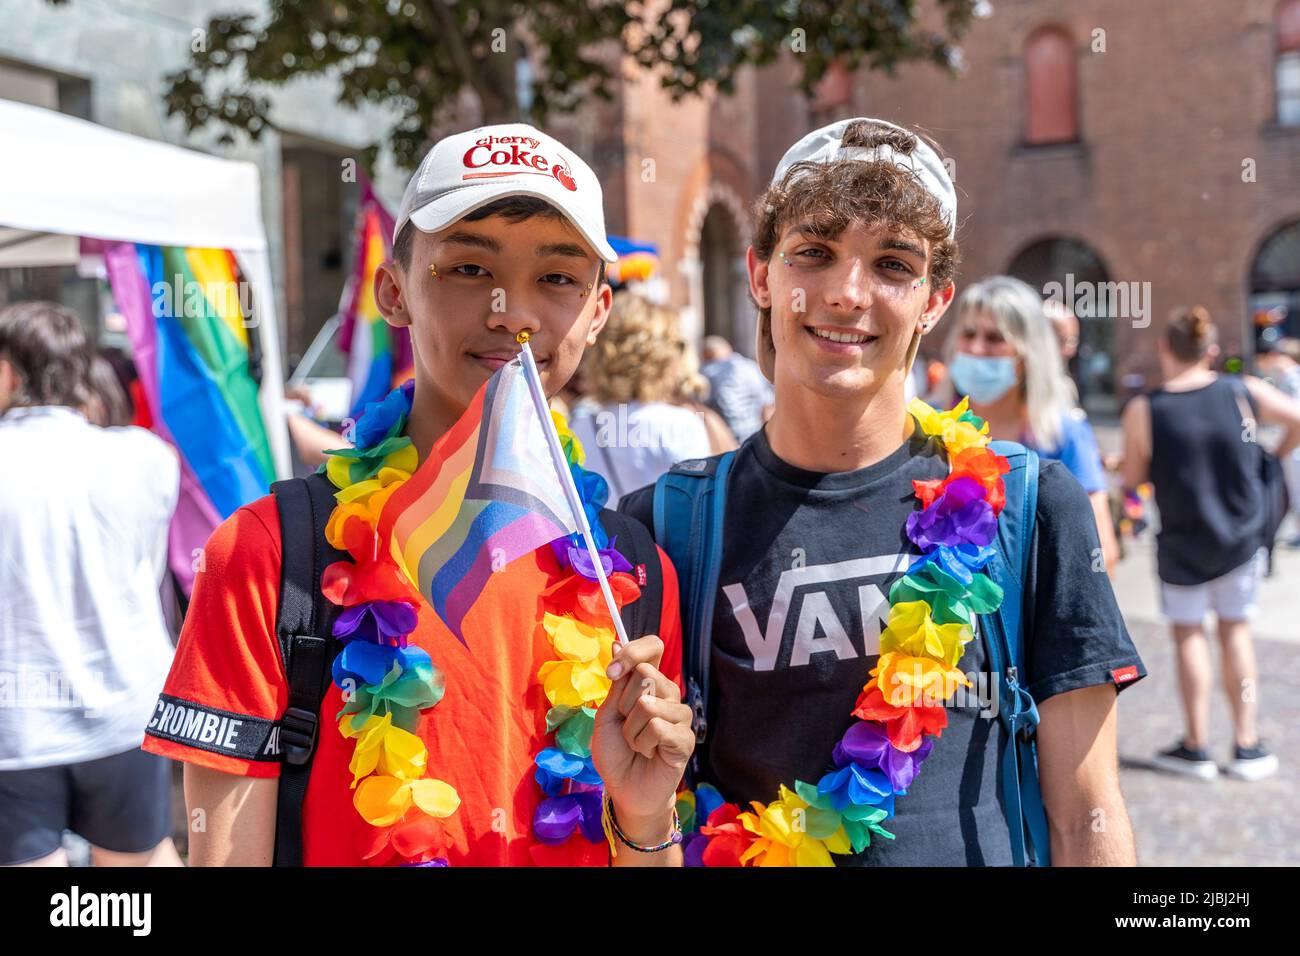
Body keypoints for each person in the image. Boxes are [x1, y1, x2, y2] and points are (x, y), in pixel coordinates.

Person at [140, 123, 693, 866]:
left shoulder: (633, 574)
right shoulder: (270, 554)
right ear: (394, 293)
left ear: (597, 312)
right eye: (468, 268)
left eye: (557, 279)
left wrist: (645, 812)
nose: (513, 313)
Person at [622, 117, 1147, 866]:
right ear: (761, 273)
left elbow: (1088, 814)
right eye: (814, 253)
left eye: (893, 264)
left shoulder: (1031, 505)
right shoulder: (668, 525)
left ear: (935, 300)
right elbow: (649, 821)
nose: (846, 293)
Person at [0, 301, 182, 867]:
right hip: (125, 702)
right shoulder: (146, 457)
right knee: (140, 871)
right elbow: (145, 572)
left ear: (9, 371)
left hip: (16, 718)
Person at [1121, 308, 1300, 782]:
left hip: (1182, 540)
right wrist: (1271, 456)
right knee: (1236, 633)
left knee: (1189, 638)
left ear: (1165, 349)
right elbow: (1297, 419)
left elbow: (1135, 480)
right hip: (1240, 537)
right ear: (1212, 352)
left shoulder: (1147, 408)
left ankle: (1196, 745)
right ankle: (1247, 744)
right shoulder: (1240, 390)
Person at [938, 276, 1121, 574]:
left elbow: (1102, 553)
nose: (977, 348)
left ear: (1027, 353)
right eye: (968, 334)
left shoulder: (1063, 435)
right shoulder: (929, 427)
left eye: (995, 338)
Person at [569, 293, 714, 506]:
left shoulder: (579, 425)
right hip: (661, 539)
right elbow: (698, 507)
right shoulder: (681, 425)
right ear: (663, 357)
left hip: (602, 539)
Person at [700, 334, 774, 441]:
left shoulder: (706, 372)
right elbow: (767, 407)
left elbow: (700, 410)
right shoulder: (752, 368)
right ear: (728, 349)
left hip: (724, 442)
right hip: (754, 438)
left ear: (706, 355)